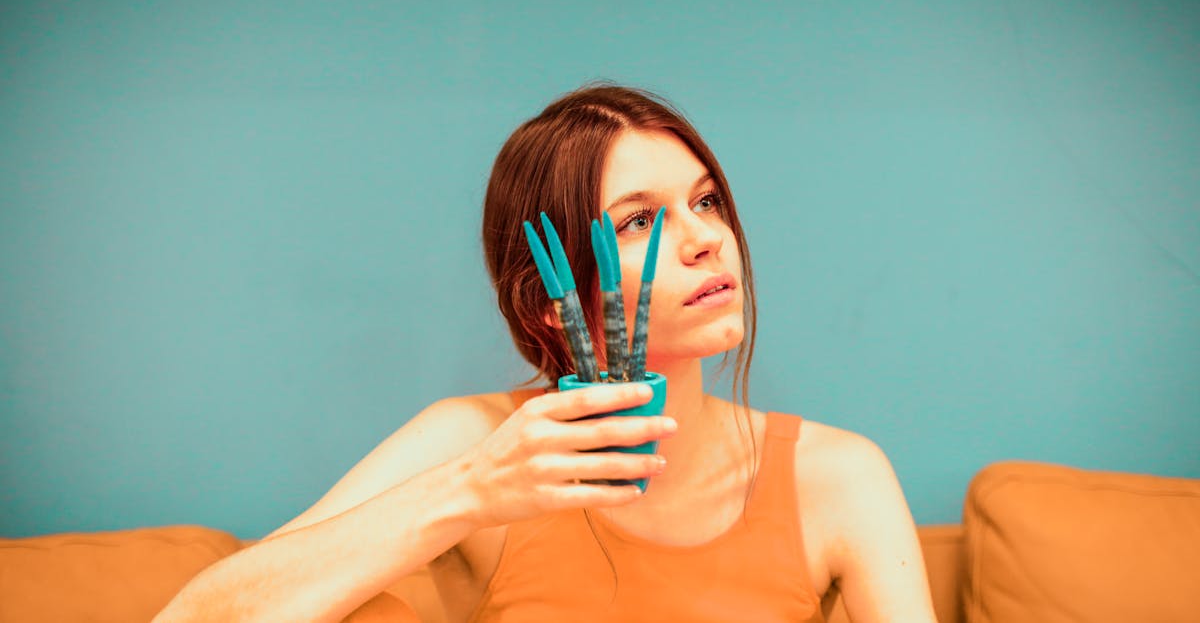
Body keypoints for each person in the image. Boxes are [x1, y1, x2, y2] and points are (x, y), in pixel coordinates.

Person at [157, 84, 937, 622]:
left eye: (706, 200)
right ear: (547, 301)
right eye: (639, 222)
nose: (706, 239)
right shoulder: (478, 445)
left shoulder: (839, 477)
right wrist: (472, 489)